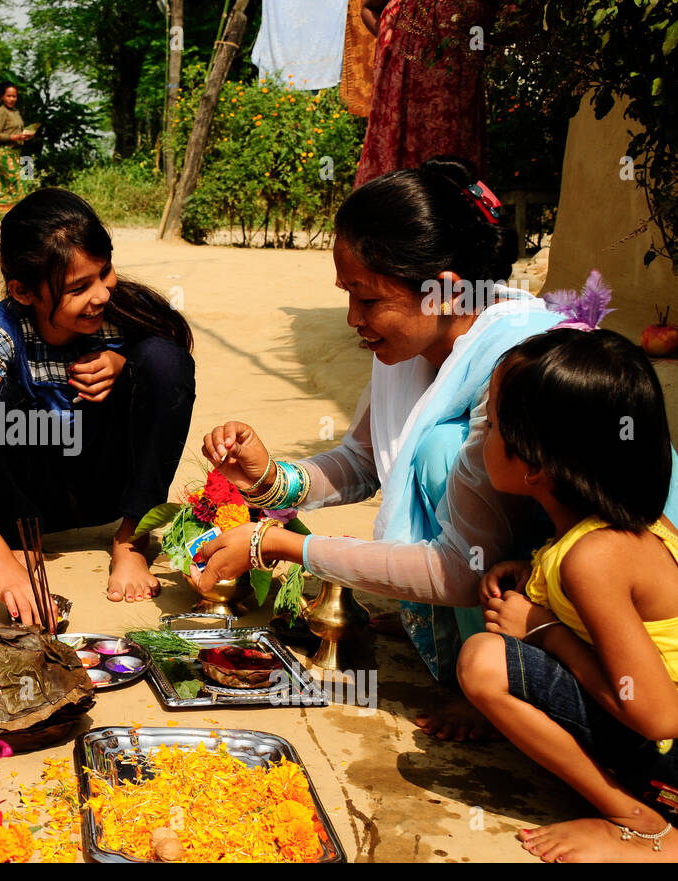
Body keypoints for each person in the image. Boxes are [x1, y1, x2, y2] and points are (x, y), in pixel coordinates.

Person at [194, 156, 560, 740]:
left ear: (442, 292)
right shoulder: (418, 348)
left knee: (441, 450)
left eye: (367, 300)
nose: (351, 320)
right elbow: (364, 461)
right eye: (348, 296)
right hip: (499, 578)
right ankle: (455, 639)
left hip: (601, 617)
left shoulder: (517, 365)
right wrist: (268, 479)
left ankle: (503, 675)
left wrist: (279, 544)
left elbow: (459, 570)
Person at [0, 188, 196, 622]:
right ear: (24, 292)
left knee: (165, 360)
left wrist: (124, 363)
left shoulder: (123, 314)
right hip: (35, 499)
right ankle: (21, 539)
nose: (101, 294)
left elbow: (172, 374)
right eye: (79, 287)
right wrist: (2, 567)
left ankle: (130, 539)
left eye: (105, 273)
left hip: (109, 488)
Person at [458, 329, 678, 862]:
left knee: (484, 661)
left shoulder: (594, 558)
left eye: (489, 424)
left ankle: (644, 825)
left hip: (671, 755)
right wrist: (532, 575)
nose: (478, 435)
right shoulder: (623, 528)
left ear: (533, 465)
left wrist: (542, 629)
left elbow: (660, 716)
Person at [354, 0, 497, 185]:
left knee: (449, 170)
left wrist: (483, 47)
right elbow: (367, 9)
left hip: (454, 88)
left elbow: (519, 20)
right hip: (398, 89)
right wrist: (394, 44)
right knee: (396, 179)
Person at [0, 81, 33, 230]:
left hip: (19, 153)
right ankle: (19, 219)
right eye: (9, 96)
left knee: (1, 185)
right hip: (5, 153)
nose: (12, 99)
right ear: (2, 97)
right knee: (19, 183)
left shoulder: (16, 112)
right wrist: (14, 137)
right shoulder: (0, 112)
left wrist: (25, 136)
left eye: (14, 96)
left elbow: (18, 130)